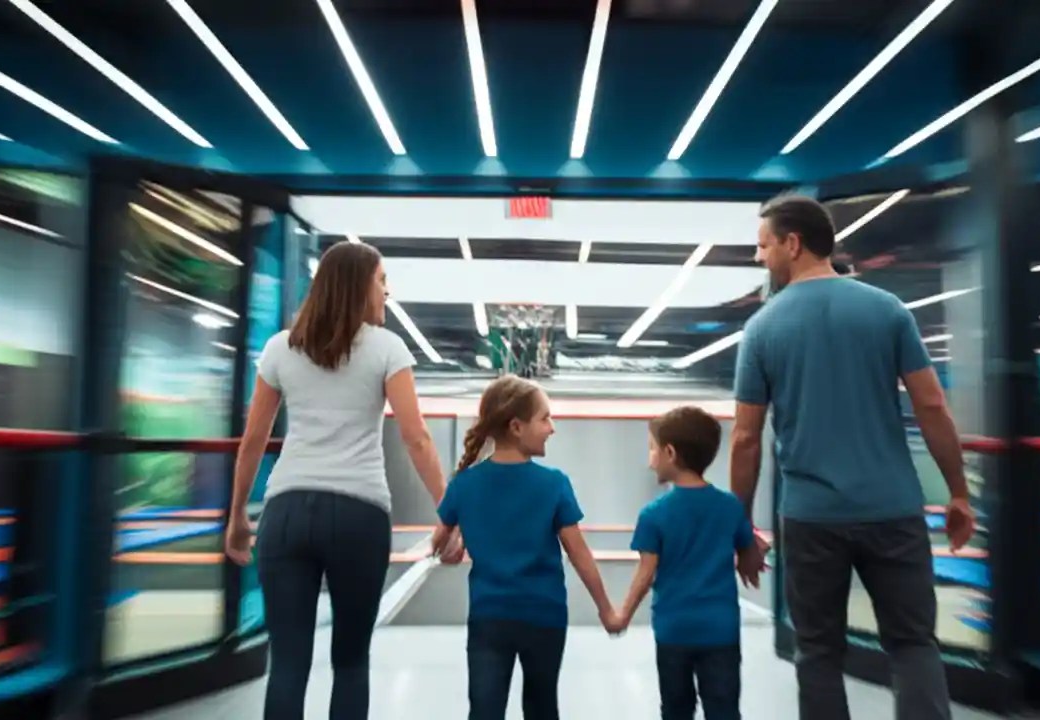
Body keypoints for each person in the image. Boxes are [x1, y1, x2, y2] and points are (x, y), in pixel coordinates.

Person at [728, 194, 976, 720]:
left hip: (812, 517)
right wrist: (957, 491)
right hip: (893, 509)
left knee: (817, 651)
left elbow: (746, 439)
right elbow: (932, 405)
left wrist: (741, 526)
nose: (759, 258)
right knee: (912, 644)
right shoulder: (886, 310)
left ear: (793, 244)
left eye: (763, 245)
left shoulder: (762, 329)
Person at [224, 240, 463, 720]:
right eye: (381, 280)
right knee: (351, 661)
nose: (387, 292)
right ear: (357, 285)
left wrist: (237, 517)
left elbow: (253, 440)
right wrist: (449, 513)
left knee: (288, 664)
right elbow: (416, 438)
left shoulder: (280, 348)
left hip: (286, 511)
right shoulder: (387, 348)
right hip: (359, 514)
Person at [430, 375, 621, 720]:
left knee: (485, 709)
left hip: (489, 616)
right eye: (545, 418)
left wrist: (450, 550)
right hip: (543, 616)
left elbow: (438, 543)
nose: (552, 428)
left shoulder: (465, 483)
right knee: (542, 707)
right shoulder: (553, 484)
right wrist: (607, 609)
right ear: (517, 427)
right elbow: (580, 555)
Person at [613, 406, 754, 720]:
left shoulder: (654, 515)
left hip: (674, 631)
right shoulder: (730, 507)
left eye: (652, 448)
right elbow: (749, 549)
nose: (649, 458)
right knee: (724, 709)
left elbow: (645, 575)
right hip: (721, 630)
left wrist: (622, 615)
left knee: (676, 710)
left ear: (670, 452)